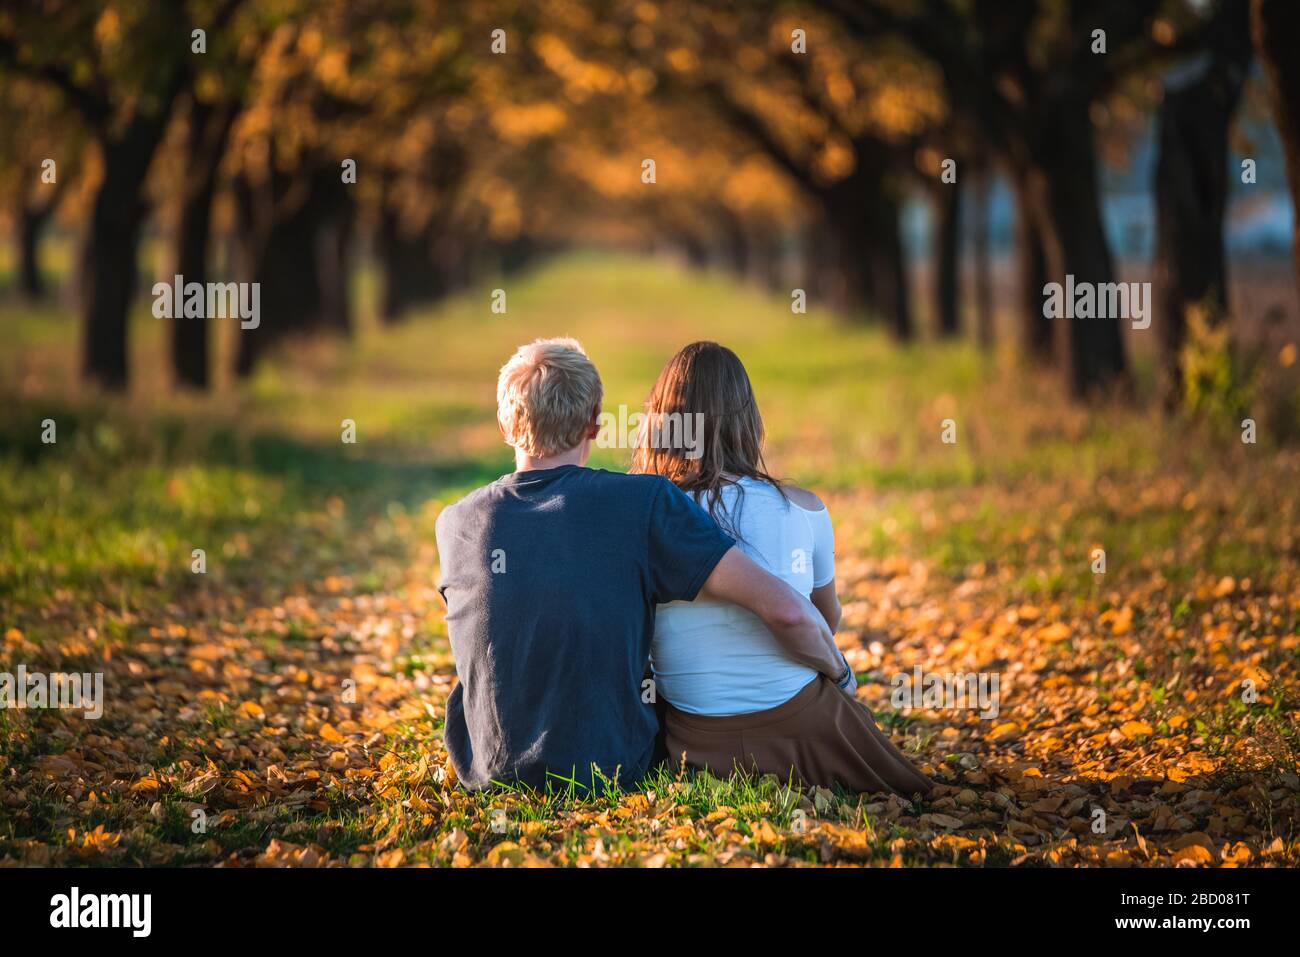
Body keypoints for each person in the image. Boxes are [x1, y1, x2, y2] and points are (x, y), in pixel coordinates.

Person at [434, 337, 847, 792]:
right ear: (594, 424)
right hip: (610, 765)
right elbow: (780, 606)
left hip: (488, 769)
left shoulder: (454, 523)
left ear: (502, 422)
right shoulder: (639, 501)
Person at [633, 341, 932, 796]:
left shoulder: (646, 519)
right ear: (748, 420)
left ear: (660, 422)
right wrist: (842, 674)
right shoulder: (806, 511)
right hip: (800, 724)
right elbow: (822, 620)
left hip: (693, 737)